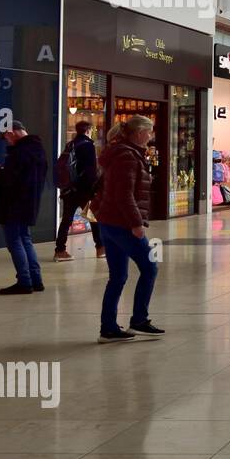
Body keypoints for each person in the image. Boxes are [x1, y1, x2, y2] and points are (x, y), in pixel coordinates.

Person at [91, 114, 163, 342]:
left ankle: (109, 327)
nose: (151, 136)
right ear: (140, 133)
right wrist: (136, 224)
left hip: (109, 222)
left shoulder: (121, 153)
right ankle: (139, 320)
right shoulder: (127, 157)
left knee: (118, 275)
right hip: (122, 223)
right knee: (149, 267)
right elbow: (124, 195)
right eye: (149, 131)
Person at [0, 121, 49, 295]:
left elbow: (9, 179)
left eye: (6, 137)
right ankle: (36, 280)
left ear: (12, 132)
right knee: (25, 239)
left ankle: (24, 281)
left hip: (14, 204)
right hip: (30, 202)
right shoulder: (39, 150)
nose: (7, 141)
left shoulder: (19, 152)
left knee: (14, 241)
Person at [54, 121, 105, 261]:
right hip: (84, 191)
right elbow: (91, 171)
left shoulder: (70, 144)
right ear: (88, 130)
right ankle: (100, 248)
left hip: (69, 190)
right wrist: (93, 190)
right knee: (93, 219)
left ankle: (60, 250)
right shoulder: (88, 145)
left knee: (66, 221)